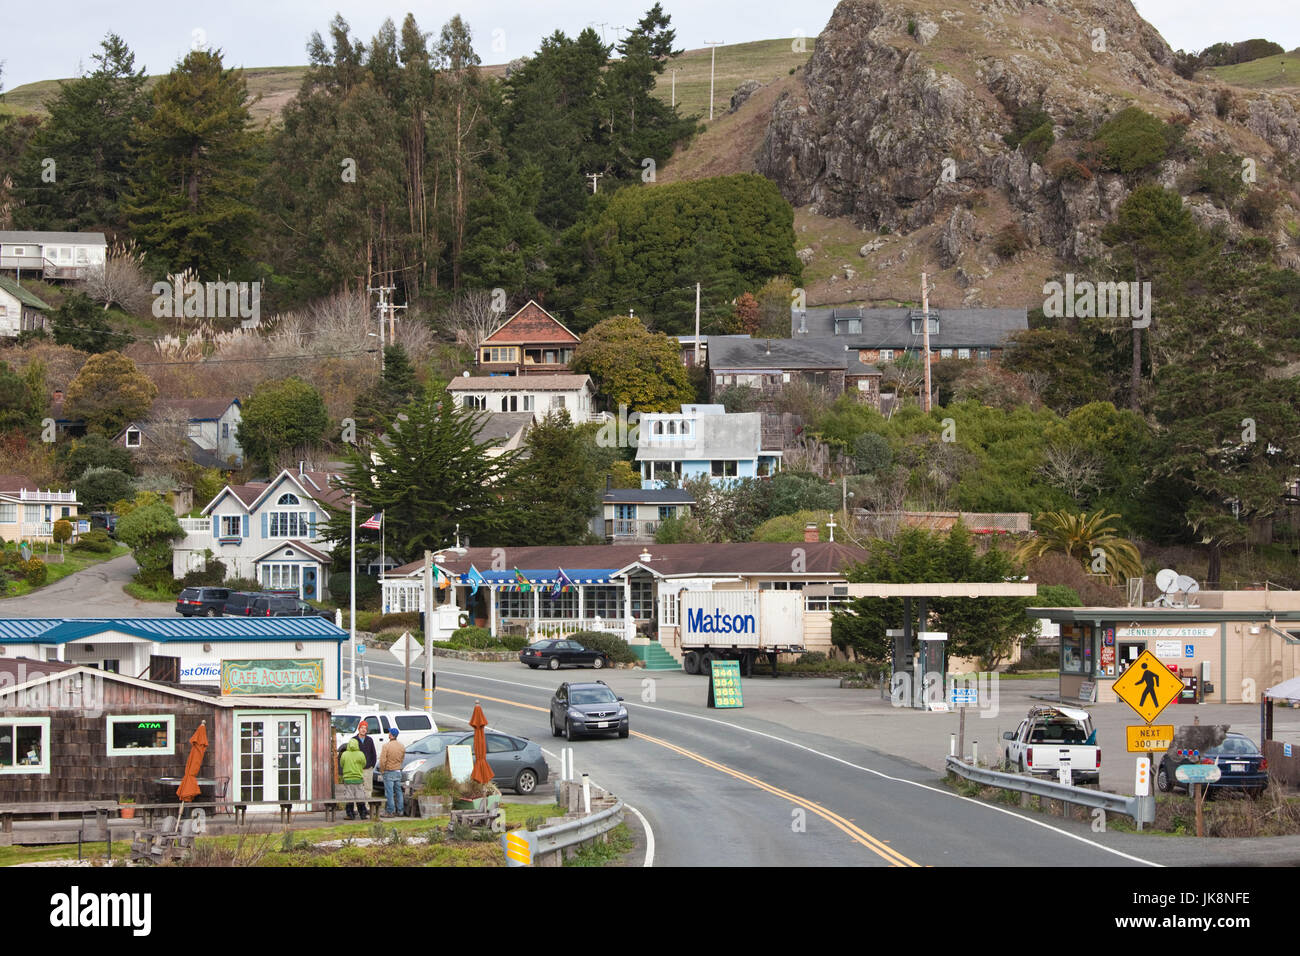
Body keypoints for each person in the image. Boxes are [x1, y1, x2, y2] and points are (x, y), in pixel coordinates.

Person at [378, 728, 407, 818]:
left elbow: (383, 760)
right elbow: (402, 758)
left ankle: (390, 811)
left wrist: (382, 770)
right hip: (398, 770)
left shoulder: (386, 746)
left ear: (390, 735)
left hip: (389, 771)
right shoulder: (401, 746)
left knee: (389, 793)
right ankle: (400, 810)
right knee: (398, 792)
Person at [338, 738, 367, 820]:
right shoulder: (361, 754)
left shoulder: (344, 754)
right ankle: (363, 814)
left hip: (348, 779)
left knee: (349, 797)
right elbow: (364, 764)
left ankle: (350, 814)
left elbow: (341, 764)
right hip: (358, 778)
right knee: (360, 797)